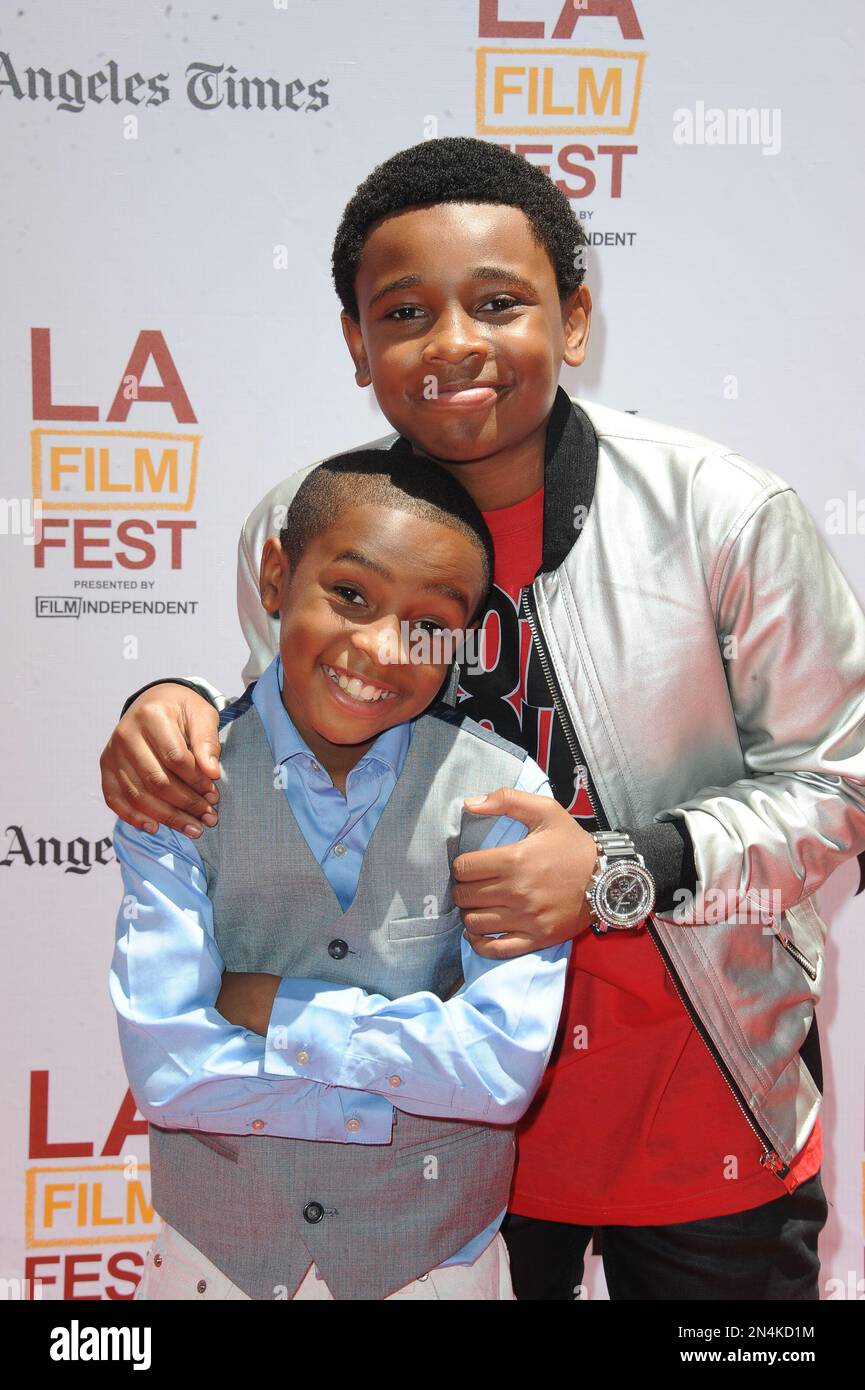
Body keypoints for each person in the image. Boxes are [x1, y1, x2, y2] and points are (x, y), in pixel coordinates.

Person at [101, 136, 865, 1301]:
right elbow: (290, 742)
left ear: (573, 318)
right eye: (405, 311)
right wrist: (172, 703)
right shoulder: (304, 518)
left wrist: (617, 869)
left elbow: (839, 783)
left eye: (498, 303)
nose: (454, 342)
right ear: (356, 342)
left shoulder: (724, 514)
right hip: (423, 1149)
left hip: (700, 1114)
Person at [109, 451, 571, 1302]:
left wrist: (268, 1008)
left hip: (436, 1266)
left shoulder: (501, 796)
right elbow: (170, 1070)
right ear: (276, 576)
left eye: (428, 624)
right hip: (214, 1265)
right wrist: (390, 1094)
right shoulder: (178, 776)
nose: (380, 648)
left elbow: (498, 1073)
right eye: (350, 594)